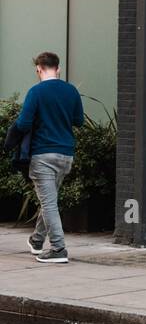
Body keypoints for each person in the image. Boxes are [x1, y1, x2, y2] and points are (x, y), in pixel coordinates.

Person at [3, 52, 84, 264]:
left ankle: (58, 249)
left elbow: (23, 124)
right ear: (58, 68)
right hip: (66, 155)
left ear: (38, 69)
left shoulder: (36, 92)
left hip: (43, 155)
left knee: (48, 204)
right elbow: (79, 121)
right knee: (49, 200)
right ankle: (37, 240)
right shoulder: (71, 91)